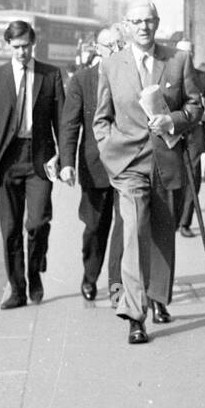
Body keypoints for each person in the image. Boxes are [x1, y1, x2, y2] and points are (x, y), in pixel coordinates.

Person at [93, 0, 203, 344]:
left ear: (157, 23)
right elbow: (101, 118)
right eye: (136, 22)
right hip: (128, 165)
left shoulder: (177, 60)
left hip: (166, 159)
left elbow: (196, 106)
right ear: (127, 25)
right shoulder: (111, 65)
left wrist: (173, 120)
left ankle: (158, 297)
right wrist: (110, 152)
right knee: (134, 233)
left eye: (149, 21)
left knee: (162, 232)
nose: (143, 27)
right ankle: (135, 314)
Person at [0, 19, 65, 309]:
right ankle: (18, 290)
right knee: (11, 229)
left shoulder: (50, 75)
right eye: (16, 47)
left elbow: (62, 122)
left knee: (38, 222)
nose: (22, 52)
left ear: (33, 43)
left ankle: (35, 270)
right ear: (7, 46)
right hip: (8, 161)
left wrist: (63, 157)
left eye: (26, 46)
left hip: (40, 159)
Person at [58, 26, 124, 301]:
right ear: (98, 49)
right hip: (94, 167)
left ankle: (117, 282)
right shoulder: (82, 81)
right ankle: (90, 276)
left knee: (124, 225)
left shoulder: (129, 77)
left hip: (127, 165)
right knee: (95, 226)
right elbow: (70, 124)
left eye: (120, 46)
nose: (117, 52)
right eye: (111, 47)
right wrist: (67, 163)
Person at [178, 48, 205, 237]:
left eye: (189, 52)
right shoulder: (166, 71)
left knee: (193, 178)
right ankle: (173, 218)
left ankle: (184, 223)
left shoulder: (202, 77)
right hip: (171, 134)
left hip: (195, 135)